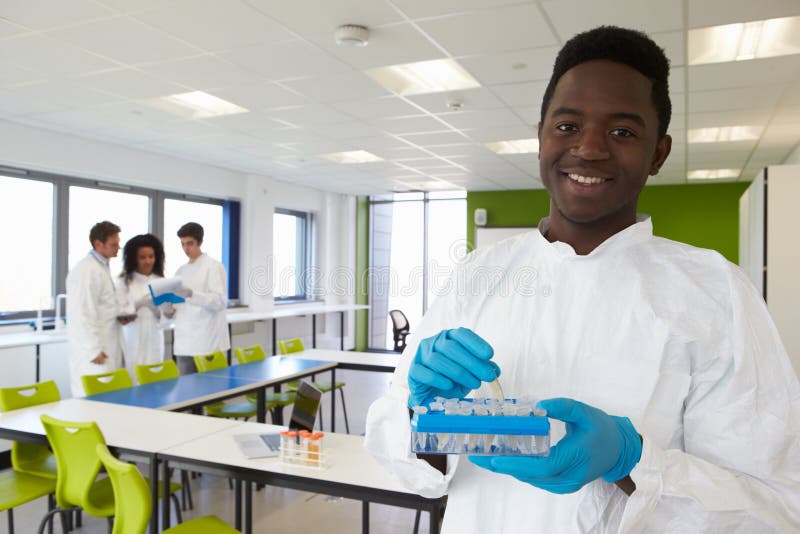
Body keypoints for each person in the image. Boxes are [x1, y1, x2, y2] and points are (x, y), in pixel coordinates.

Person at [365, 26, 800, 532]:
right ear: (541, 136)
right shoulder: (476, 276)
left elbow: (772, 506)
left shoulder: (715, 293)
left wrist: (631, 463)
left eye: (622, 132)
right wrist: (425, 419)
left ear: (658, 153)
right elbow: (409, 461)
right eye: (568, 125)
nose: (589, 149)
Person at [66, 220, 126, 396]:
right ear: (98, 244)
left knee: (107, 399)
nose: (118, 247)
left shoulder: (101, 267)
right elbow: (81, 313)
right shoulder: (87, 270)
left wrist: (120, 316)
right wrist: (93, 350)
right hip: (93, 352)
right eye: (113, 244)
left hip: (106, 344)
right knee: (92, 400)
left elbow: (103, 307)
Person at [172, 222, 229, 375]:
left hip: (207, 341)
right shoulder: (180, 271)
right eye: (183, 244)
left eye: (190, 243)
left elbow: (220, 302)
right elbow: (178, 307)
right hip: (184, 343)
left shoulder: (213, 267)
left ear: (200, 242)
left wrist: (192, 294)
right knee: (186, 394)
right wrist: (168, 307)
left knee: (210, 393)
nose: (186, 249)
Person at [116, 234, 174, 382]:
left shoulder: (161, 282)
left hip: (154, 341)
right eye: (142, 257)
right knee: (132, 382)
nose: (148, 261)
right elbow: (120, 313)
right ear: (134, 258)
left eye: (151, 256)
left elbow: (167, 321)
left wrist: (161, 311)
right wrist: (138, 304)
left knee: (154, 382)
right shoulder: (123, 282)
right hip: (131, 341)